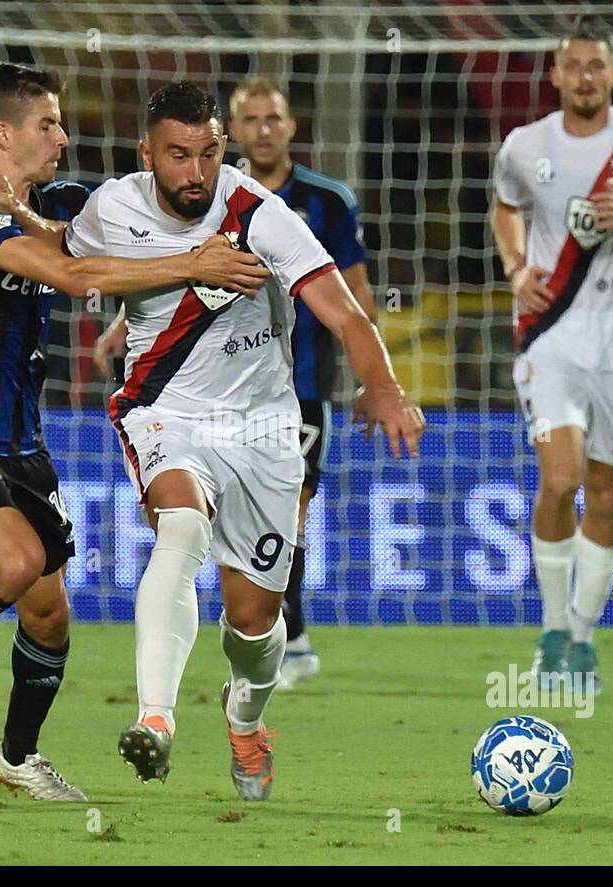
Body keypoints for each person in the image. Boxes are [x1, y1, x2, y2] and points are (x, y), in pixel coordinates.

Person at [0, 62, 269, 800]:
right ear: (3, 134)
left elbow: (112, 240)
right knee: (17, 561)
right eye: (47, 124)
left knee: (49, 616)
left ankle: (17, 758)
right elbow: (77, 275)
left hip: (23, 447)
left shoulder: (57, 201)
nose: (62, 135)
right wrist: (190, 266)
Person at [68, 82, 424, 801]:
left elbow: (346, 313)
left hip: (264, 429)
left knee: (254, 623)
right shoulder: (113, 206)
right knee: (181, 524)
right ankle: (156, 719)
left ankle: (245, 715)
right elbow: (67, 264)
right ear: (148, 154)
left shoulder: (259, 215)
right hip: (165, 411)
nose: (194, 173)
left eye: (207, 153)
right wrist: (10, 212)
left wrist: (380, 385)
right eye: (177, 156)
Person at [94, 76, 377, 690]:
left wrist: (372, 374)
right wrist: (124, 321)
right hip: (188, 403)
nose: (263, 130)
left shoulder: (317, 202)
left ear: (289, 126)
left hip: (291, 389)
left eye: (273, 118)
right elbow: (144, 275)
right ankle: (171, 696)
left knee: (291, 515)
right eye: (252, 119)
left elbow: (354, 299)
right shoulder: (161, 203)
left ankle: (285, 630)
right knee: (190, 522)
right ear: (238, 130)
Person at [489, 15, 613, 694]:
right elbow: (505, 206)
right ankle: (551, 629)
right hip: (554, 338)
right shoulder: (525, 144)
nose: (584, 76)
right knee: (560, 480)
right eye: (572, 65)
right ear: (555, 74)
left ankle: (582, 632)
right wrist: (518, 269)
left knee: (607, 492)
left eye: (596, 66)